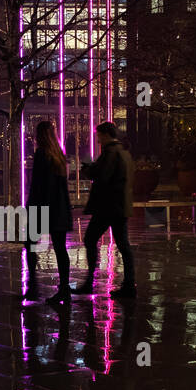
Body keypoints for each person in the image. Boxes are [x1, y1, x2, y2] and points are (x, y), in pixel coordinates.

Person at [74, 121, 136, 299]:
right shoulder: (124, 152)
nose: (98, 139)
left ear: (106, 135)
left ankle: (89, 283)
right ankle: (129, 284)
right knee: (123, 245)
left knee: (90, 239)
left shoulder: (110, 153)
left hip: (108, 207)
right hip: (119, 206)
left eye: (99, 135)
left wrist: (87, 167)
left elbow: (101, 176)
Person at [24, 120, 73, 305]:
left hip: (43, 206)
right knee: (60, 249)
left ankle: (33, 284)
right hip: (59, 207)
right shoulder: (59, 155)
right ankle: (64, 288)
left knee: (30, 244)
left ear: (39, 136)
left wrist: (31, 206)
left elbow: (38, 184)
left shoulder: (41, 154)